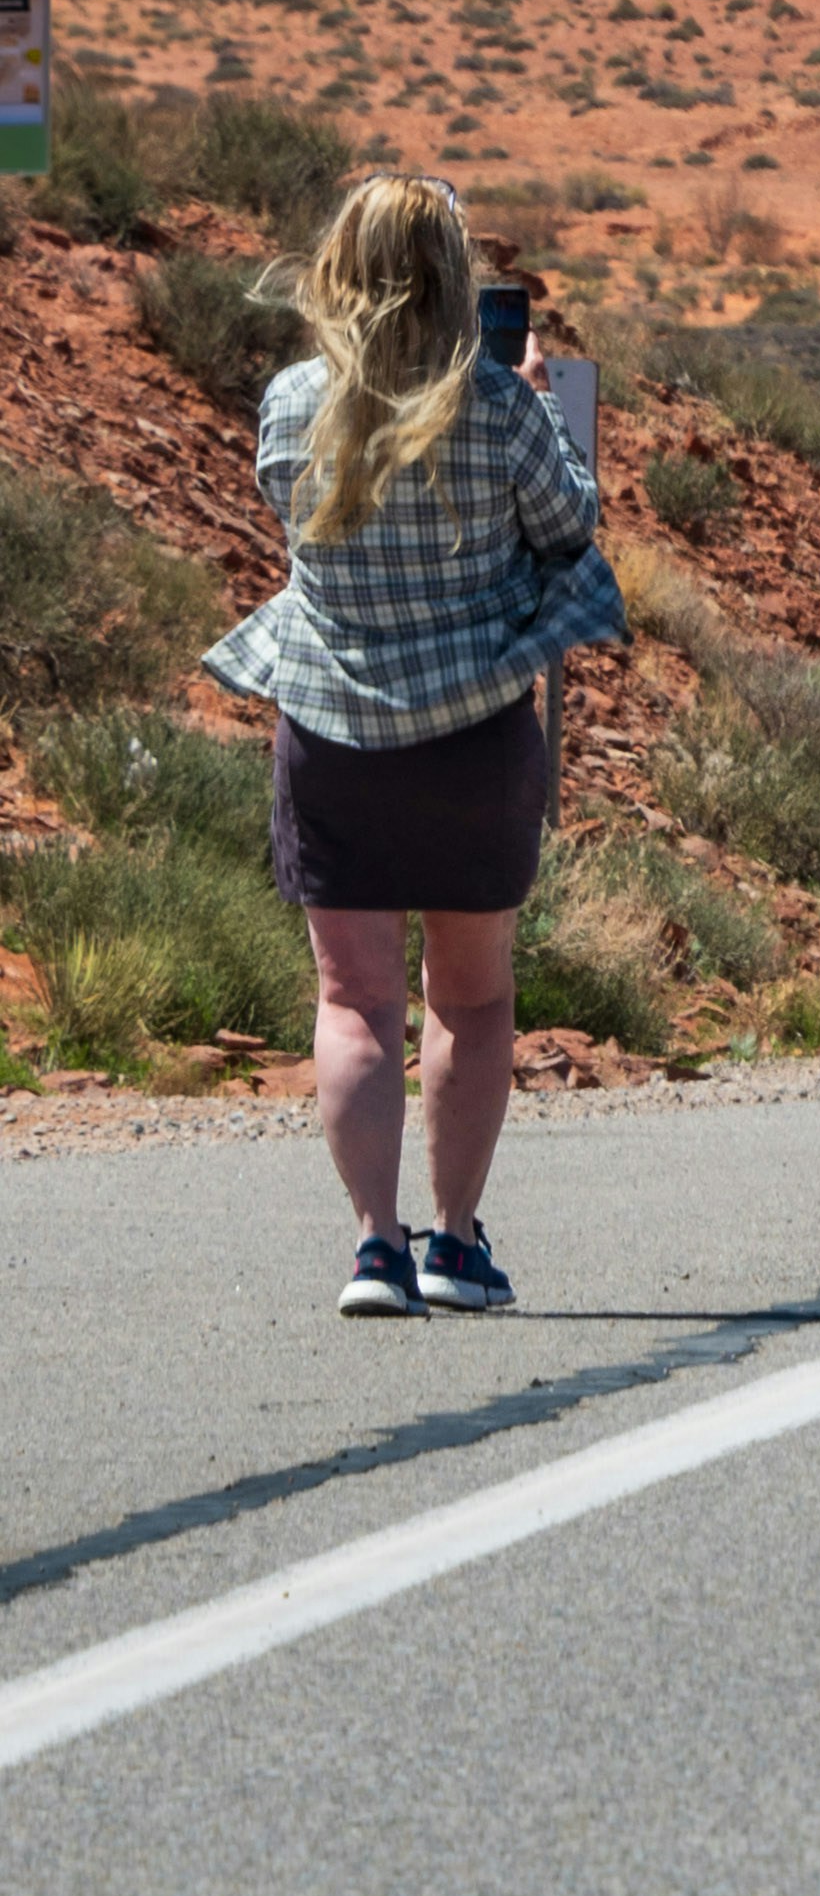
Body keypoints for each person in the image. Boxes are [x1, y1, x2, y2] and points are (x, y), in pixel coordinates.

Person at [203, 176, 627, 1321]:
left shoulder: (292, 401)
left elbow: (287, 516)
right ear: (452, 277)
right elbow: (571, 524)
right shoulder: (495, 403)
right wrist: (532, 399)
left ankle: (374, 1249)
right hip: (471, 735)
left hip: (332, 733)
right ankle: (455, 1241)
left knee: (353, 1000)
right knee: (470, 1001)